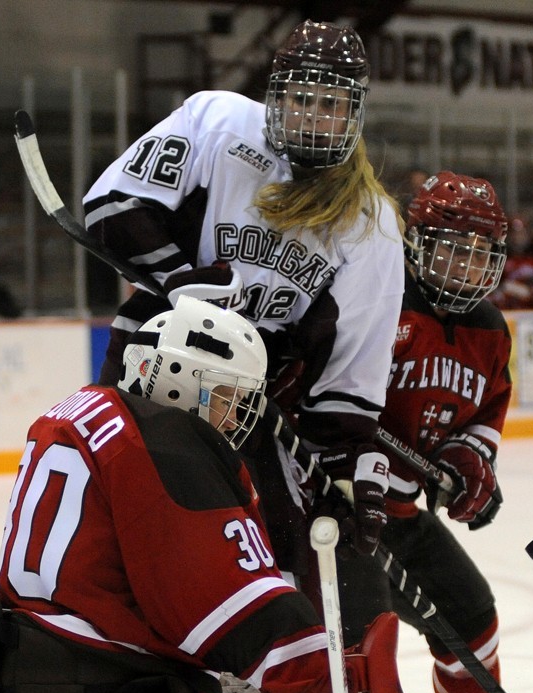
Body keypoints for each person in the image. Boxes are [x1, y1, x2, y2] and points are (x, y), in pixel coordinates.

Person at [0, 296, 439, 693]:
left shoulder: (82, 413)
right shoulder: (162, 437)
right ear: (175, 379)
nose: (235, 420)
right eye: (227, 398)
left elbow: (143, 593)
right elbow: (229, 596)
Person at [82, 19, 404, 578]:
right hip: (157, 358)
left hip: (254, 402)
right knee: (108, 523)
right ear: (274, 96)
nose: (313, 116)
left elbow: (349, 384)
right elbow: (112, 206)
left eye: (331, 104)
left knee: (272, 561)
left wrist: (345, 480)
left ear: (355, 114)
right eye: (301, 99)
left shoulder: (371, 226)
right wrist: (185, 282)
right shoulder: (219, 123)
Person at [336, 172, 533, 693]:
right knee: (334, 638)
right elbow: (324, 393)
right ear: (417, 243)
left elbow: (484, 413)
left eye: (477, 251)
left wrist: (466, 465)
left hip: (401, 517)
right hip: (334, 512)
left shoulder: (490, 329)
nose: (463, 265)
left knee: (471, 614)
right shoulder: (377, 300)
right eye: (450, 247)